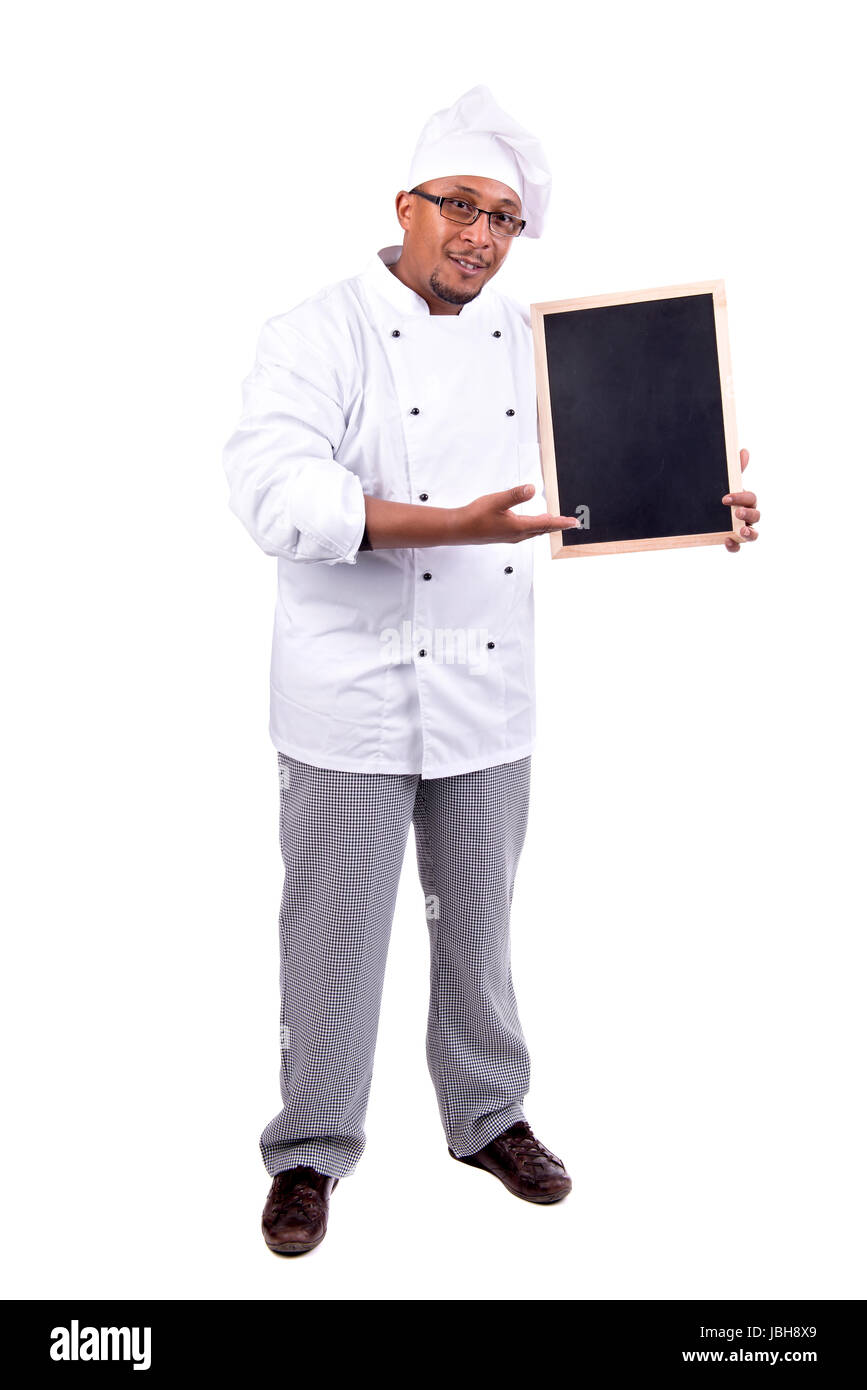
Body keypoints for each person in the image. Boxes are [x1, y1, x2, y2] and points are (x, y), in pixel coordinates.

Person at [222, 85, 761, 1257]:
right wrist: (444, 525)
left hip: (487, 684)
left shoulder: (534, 338)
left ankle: (489, 1115)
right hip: (348, 695)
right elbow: (273, 492)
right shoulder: (314, 332)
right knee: (331, 933)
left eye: (503, 218)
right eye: (459, 206)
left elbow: (601, 470)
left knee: (478, 926)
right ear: (404, 206)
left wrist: (699, 498)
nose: (480, 236)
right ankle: (309, 1149)